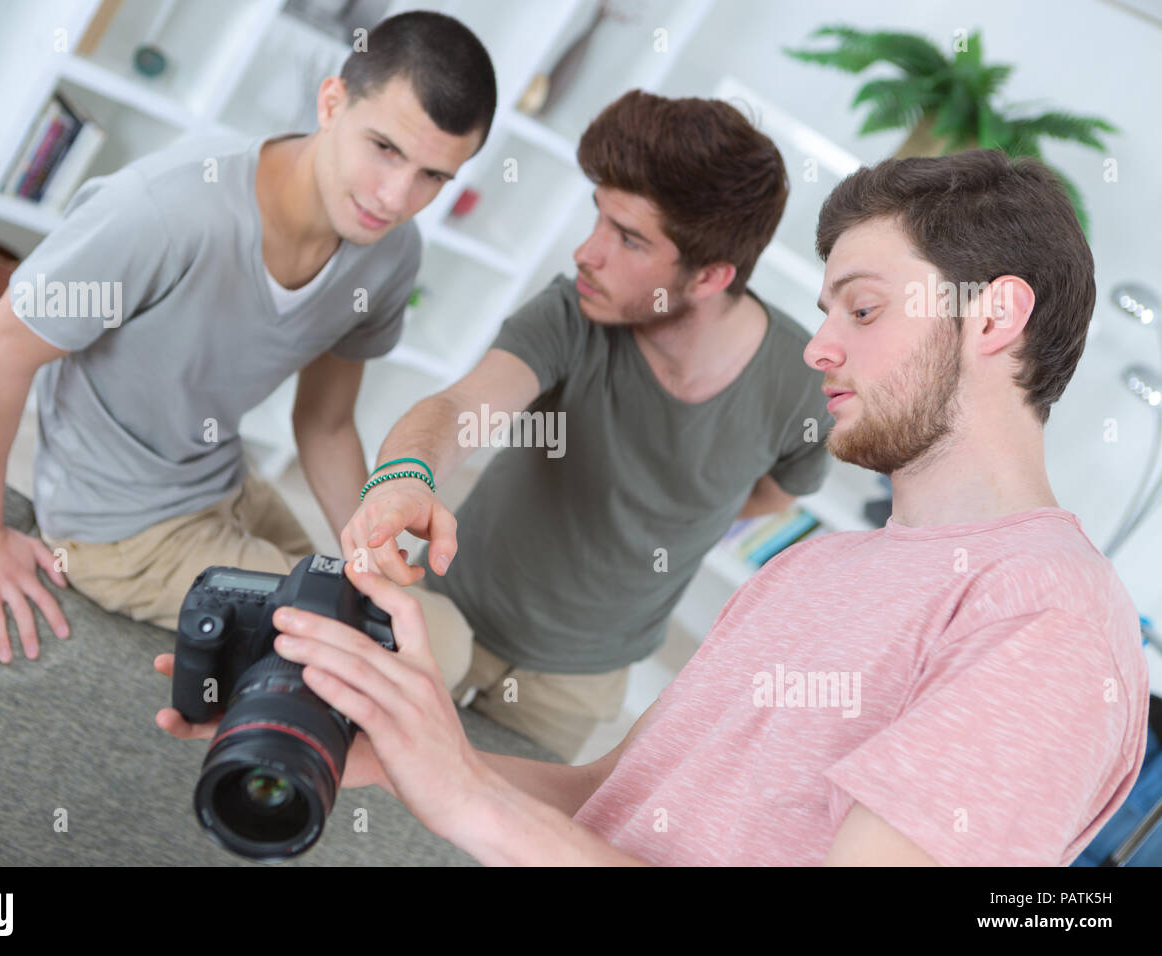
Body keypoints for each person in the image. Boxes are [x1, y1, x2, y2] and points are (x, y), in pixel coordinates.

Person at [159, 148, 1149, 865]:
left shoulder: (1046, 626)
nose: (818, 346)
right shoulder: (814, 566)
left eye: (863, 306)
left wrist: (467, 797)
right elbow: (612, 803)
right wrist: (399, 751)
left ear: (994, 314)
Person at [0, 11, 496, 679]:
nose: (396, 195)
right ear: (331, 102)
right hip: (121, 528)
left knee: (409, 620)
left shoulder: (389, 254)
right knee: (435, 646)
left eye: (433, 176)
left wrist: (373, 542)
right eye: (384, 147)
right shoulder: (169, 209)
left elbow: (323, 424)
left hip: (228, 484)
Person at [340, 90, 833, 760]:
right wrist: (403, 477)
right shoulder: (571, 313)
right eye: (598, 219)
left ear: (711, 275)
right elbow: (461, 408)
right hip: (451, 612)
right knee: (362, 771)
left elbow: (777, 493)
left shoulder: (803, 385)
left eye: (628, 239)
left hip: (580, 681)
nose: (586, 253)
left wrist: (669, 518)